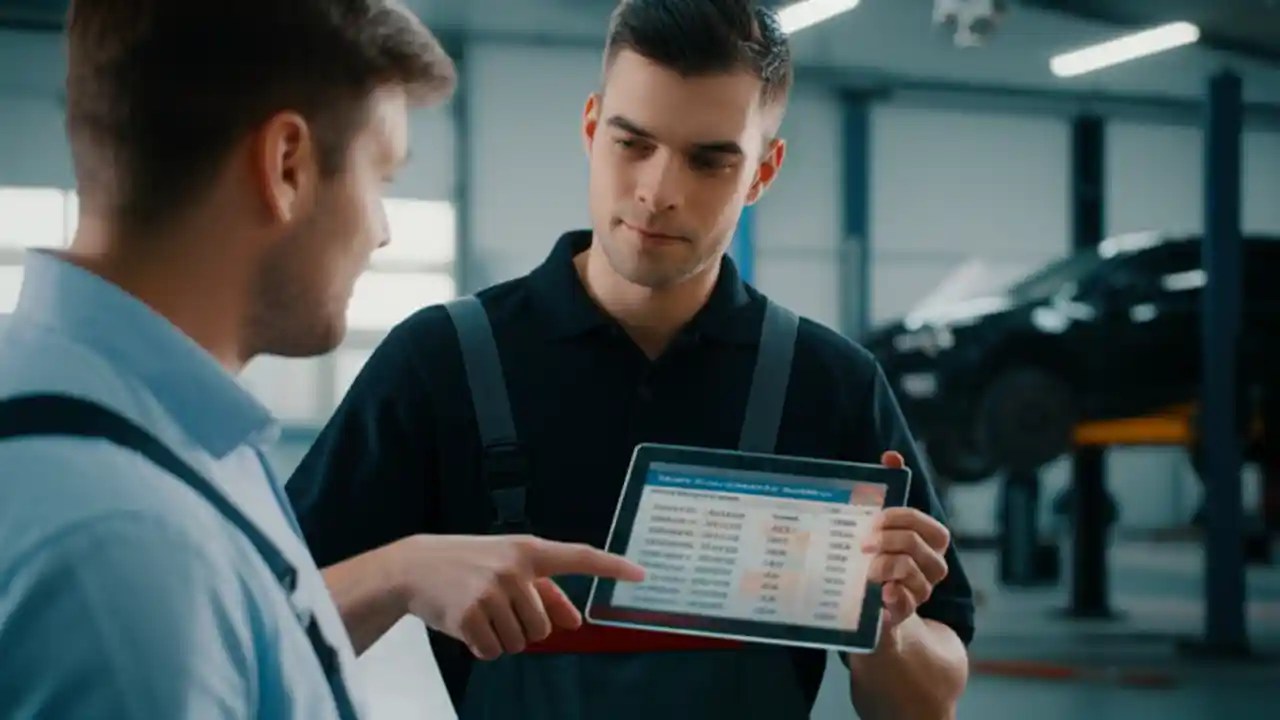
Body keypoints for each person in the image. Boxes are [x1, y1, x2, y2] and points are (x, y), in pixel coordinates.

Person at [286, 0, 974, 718]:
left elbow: (922, 705)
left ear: (763, 171)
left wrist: (887, 631)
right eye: (632, 143)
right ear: (591, 129)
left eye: (710, 160)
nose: (658, 191)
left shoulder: (832, 385)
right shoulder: (442, 363)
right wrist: (402, 572)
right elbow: (266, 621)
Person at [0, 1, 642, 718]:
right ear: (286, 166)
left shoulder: (140, 424)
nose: (382, 231)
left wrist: (402, 569)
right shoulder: (131, 552)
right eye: (382, 178)